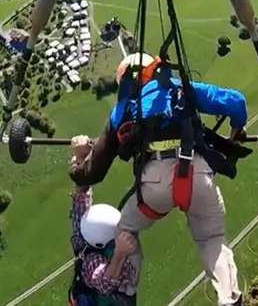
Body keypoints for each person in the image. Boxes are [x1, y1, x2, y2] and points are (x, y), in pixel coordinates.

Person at [69, 52, 247, 306]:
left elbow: (93, 173)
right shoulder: (182, 89)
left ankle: (127, 290)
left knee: (125, 231)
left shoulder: (124, 109)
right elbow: (236, 103)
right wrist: (235, 131)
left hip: (153, 187)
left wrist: (78, 162)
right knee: (212, 240)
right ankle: (229, 297)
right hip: (197, 175)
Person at [68, 179, 138, 305]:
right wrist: (119, 253)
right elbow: (104, 285)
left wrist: (84, 177)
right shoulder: (92, 261)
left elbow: (81, 208)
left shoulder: (84, 231)